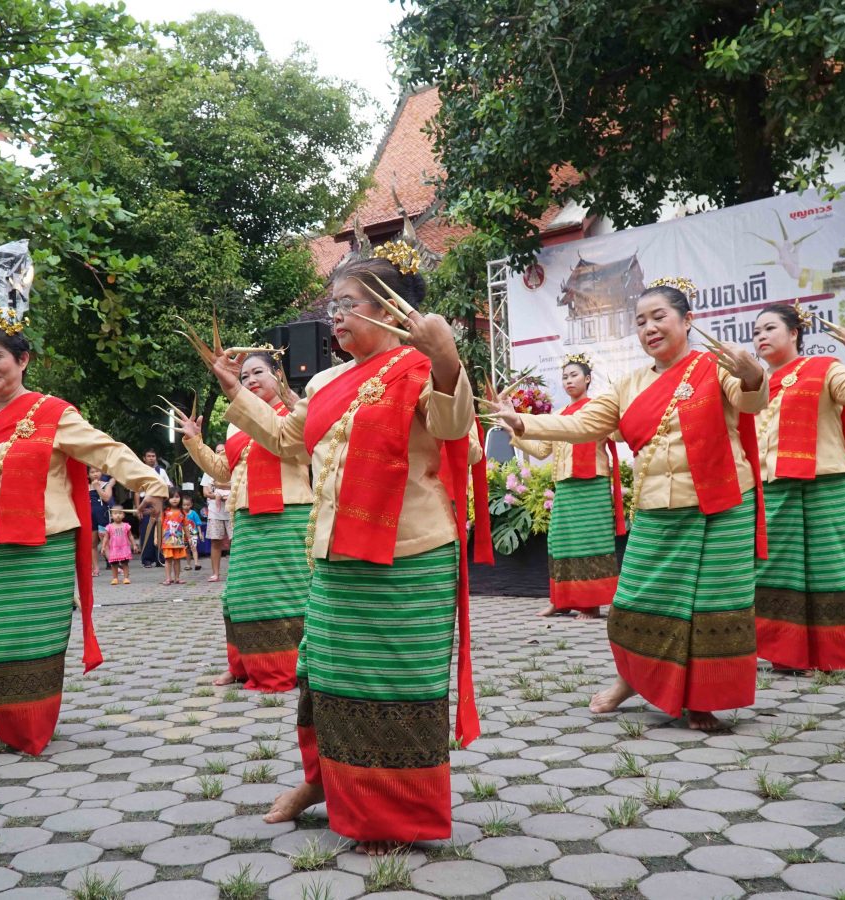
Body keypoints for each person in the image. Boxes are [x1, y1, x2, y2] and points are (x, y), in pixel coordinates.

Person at [203, 247, 488, 854]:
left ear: (391, 308)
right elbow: (288, 439)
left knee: (395, 688)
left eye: (346, 304)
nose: (333, 317)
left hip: (409, 555)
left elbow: (454, 429)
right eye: (332, 305)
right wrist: (236, 390)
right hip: (334, 554)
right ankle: (322, 782)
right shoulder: (329, 381)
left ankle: (393, 812)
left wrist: (445, 356)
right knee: (326, 677)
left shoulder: (419, 366)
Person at [487, 279, 767, 731]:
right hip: (658, 506)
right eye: (641, 321)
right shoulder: (628, 386)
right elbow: (580, 425)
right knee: (635, 602)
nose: (650, 328)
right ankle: (631, 679)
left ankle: (702, 700)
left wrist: (752, 374)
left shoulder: (715, 367)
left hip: (724, 502)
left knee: (716, 604)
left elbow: (751, 399)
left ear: (687, 320)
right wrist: (522, 421)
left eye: (660, 317)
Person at [0, 313, 170, 756]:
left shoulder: (52, 413)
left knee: (26, 638)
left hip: (44, 545)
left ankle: (25, 725)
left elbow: (106, 450)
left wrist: (154, 485)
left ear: (22, 359)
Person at [750, 304, 845, 672]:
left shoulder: (824, 368)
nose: (760, 336)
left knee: (830, 567)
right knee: (776, 569)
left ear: (794, 333)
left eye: (769, 328)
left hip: (826, 480)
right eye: (756, 330)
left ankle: (833, 655)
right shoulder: (753, 383)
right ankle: (785, 653)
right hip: (773, 485)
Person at [178, 350, 315, 692]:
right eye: (244, 377)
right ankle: (241, 666)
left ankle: (296, 666)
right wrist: (195, 440)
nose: (251, 380)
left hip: (288, 513)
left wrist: (297, 407)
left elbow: (301, 453)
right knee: (239, 596)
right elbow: (225, 471)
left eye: (258, 373)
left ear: (277, 375)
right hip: (247, 517)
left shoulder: (296, 413)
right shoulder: (238, 422)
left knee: (289, 594)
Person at [511, 353, 626, 619]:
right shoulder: (559, 414)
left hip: (592, 484)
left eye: (574, 375)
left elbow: (619, 434)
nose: (568, 380)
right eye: (564, 377)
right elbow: (541, 450)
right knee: (559, 543)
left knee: (589, 543)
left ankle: (590, 604)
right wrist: (514, 432)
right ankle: (560, 600)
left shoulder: (600, 408)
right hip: (566, 485)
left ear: (587, 379)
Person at [201, 447, 232, 582]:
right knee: (215, 542)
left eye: (224, 450)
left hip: (231, 510)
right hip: (215, 511)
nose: (221, 453)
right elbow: (206, 492)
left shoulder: (233, 468)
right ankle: (215, 573)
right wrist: (219, 495)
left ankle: (235, 573)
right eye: (218, 451)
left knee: (235, 542)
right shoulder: (209, 469)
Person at [136, 450, 170, 568]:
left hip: (159, 503)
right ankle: (147, 559)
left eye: (153, 456)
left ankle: (160, 558)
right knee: (147, 531)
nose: (151, 458)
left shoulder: (162, 471)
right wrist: (138, 509)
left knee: (160, 530)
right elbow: (136, 491)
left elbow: (168, 486)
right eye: (149, 456)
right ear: (144, 458)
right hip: (145, 504)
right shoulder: (139, 472)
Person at [102, 506, 137, 585]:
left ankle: (126, 577)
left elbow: (130, 536)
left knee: (125, 563)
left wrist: (134, 545)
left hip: (124, 548)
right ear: (111, 516)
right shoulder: (109, 527)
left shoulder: (126, 526)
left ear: (123, 515)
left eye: (120, 513)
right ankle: (115, 578)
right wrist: (103, 547)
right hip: (114, 549)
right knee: (114, 565)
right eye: (115, 513)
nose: (118, 515)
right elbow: (106, 538)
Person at [159, 489, 188, 585]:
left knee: (177, 560)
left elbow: (185, 525)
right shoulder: (165, 512)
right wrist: (156, 537)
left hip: (178, 541)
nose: (174, 499)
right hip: (167, 541)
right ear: (167, 498)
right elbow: (159, 525)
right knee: (168, 560)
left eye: (177, 497)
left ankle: (177, 578)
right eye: (172, 497)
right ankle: (168, 578)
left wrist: (189, 537)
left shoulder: (182, 512)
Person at [88, 468, 114, 575]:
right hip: (90, 516)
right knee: (92, 544)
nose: (95, 474)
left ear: (101, 473)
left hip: (102, 515)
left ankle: (115, 565)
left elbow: (107, 498)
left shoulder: (106, 485)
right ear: (88, 474)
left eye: (97, 471)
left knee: (106, 542)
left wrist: (98, 487)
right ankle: (95, 568)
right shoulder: (86, 487)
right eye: (92, 472)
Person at [182, 493, 204, 571]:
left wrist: (200, 533)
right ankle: (188, 564)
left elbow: (198, 524)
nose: (186, 506)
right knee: (187, 550)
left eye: (188, 505)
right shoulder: (181, 514)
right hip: (184, 534)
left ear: (191, 504)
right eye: (184, 505)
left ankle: (196, 563)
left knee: (193, 548)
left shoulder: (194, 513)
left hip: (193, 533)